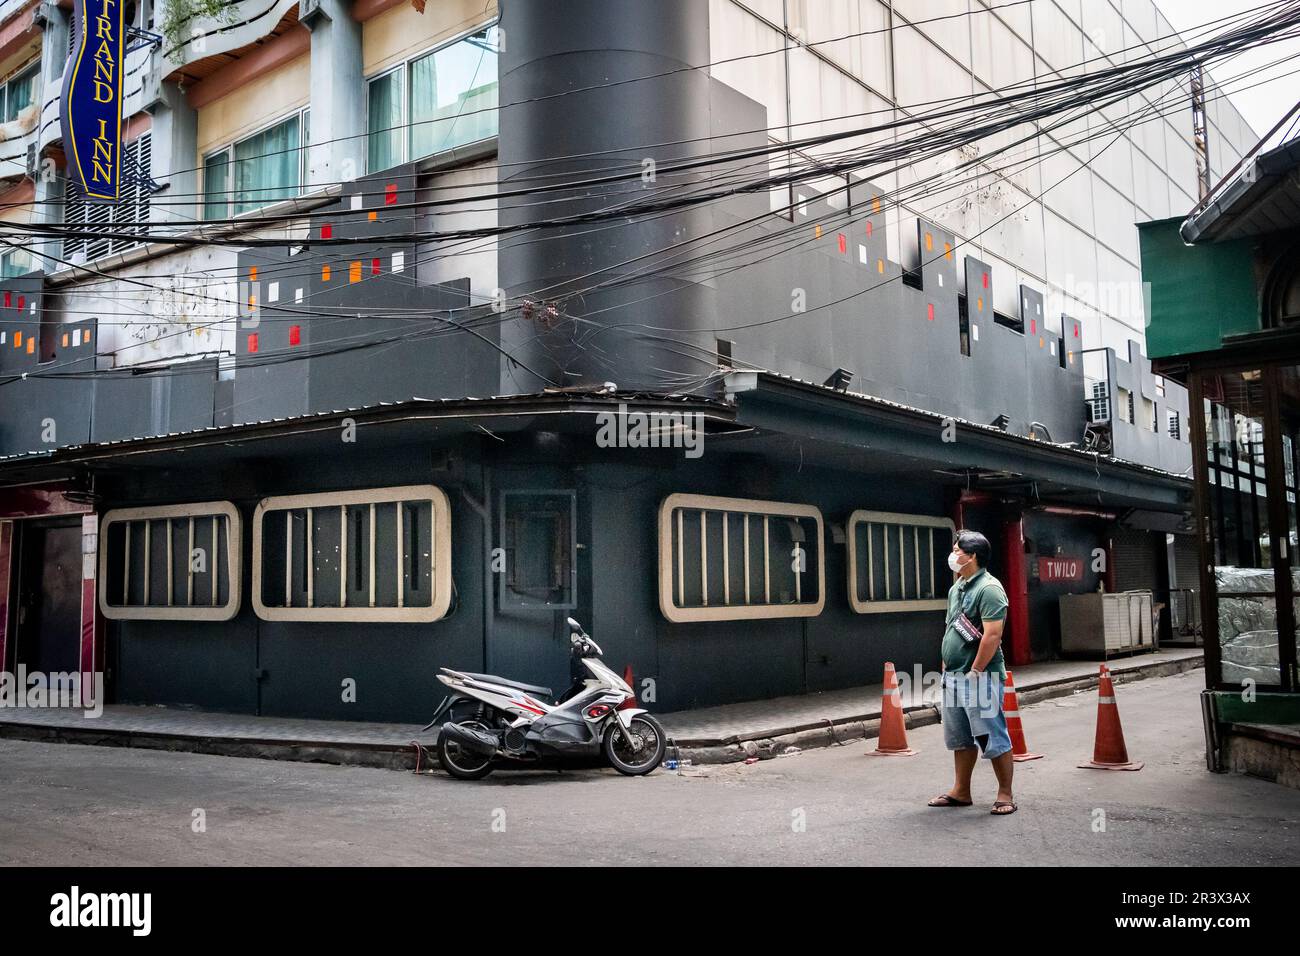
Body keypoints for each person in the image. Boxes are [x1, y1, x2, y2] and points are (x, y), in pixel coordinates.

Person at [927, 530, 1017, 815]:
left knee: (991, 735)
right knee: (960, 737)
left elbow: (992, 635)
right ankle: (961, 791)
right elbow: (952, 627)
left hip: (980, 676)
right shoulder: (958, 587)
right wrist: (946, 664)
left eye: (957, 551)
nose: (953, 555)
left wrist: (976, 670)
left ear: (973, 555)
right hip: (953, 675)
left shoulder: (989, 589)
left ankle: (1005, 794)